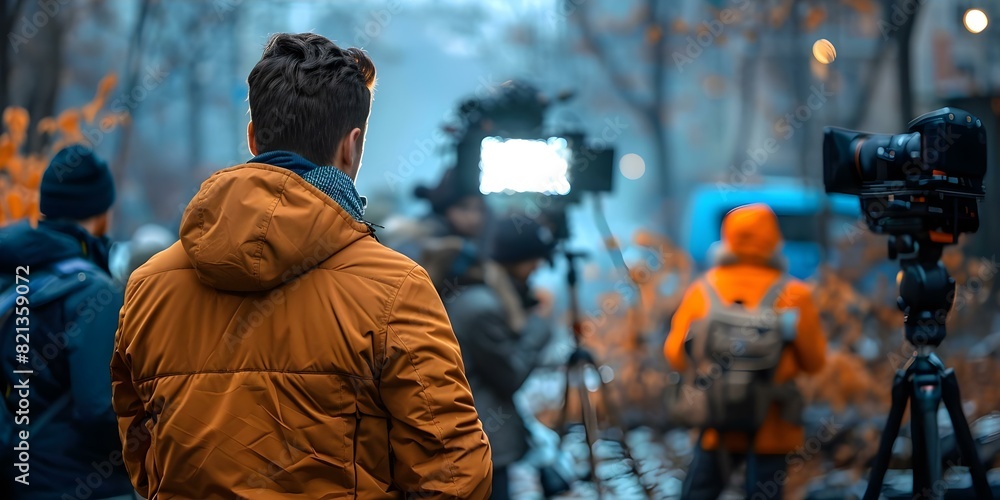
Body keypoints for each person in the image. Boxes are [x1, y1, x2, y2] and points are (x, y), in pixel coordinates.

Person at [111, 33, 491, 499]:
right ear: (352, 146)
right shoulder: (397, 289)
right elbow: (454, 474)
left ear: (253, 138)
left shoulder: (148, 286)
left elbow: (139, 442)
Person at [664, 203, 827, 499]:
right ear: (775, 241)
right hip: (773, 423)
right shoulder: (796, 294)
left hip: (717, 420)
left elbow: (675, 355)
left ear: (727, 239)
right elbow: (815, 362)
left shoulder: (703, 290)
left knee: (699, 492)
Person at [0, 145, 133, 499]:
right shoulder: (93, 293)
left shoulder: (10, 275)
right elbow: (99, 408)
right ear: (101, 213)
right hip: (76, 481)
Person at [445, 214, 558, 500]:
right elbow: (511, 375)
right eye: (533, 260)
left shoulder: (482, 298)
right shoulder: (482, 309)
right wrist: (538, 325)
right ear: (513, 260)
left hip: (483, 443)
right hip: (482, 443)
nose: (538, 268)